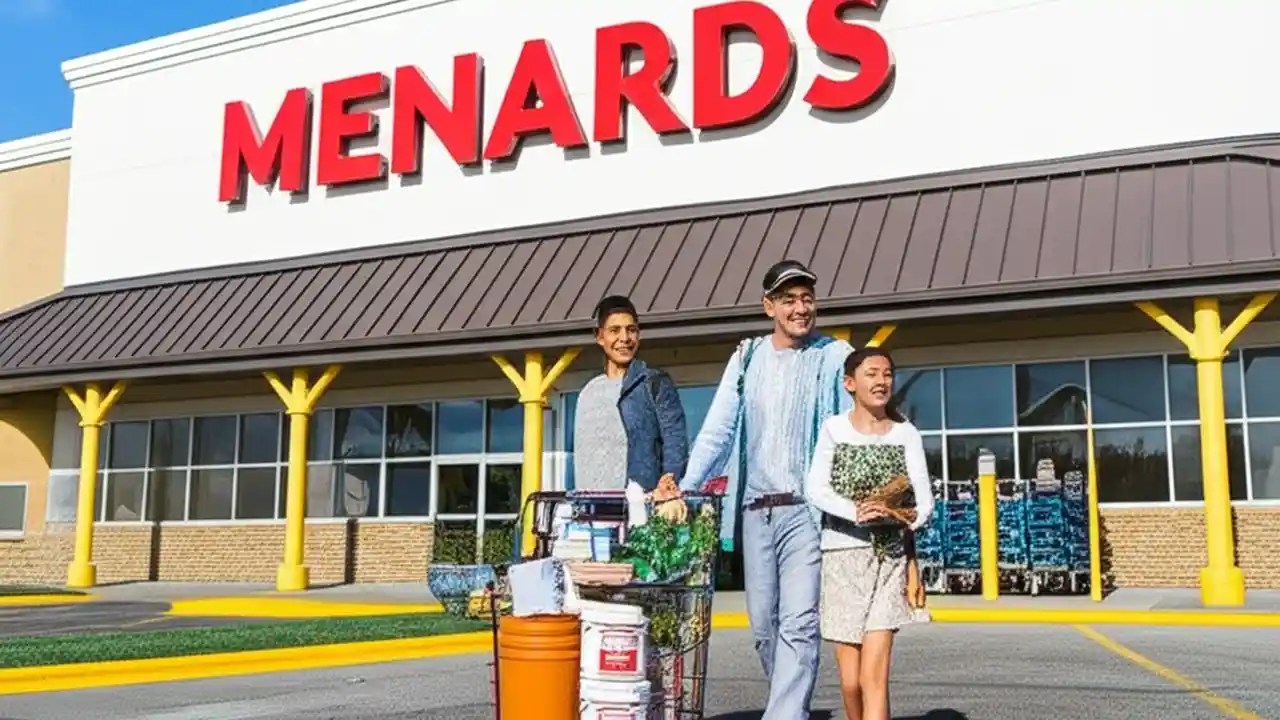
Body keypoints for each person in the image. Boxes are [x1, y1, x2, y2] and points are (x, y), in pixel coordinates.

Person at [679, 260, 853, 720]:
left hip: (805, 512)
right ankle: (789, 704)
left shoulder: (833, 356)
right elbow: (717, 431)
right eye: (789, 299)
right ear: (769, 306)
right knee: (764, 627)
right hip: (755, 512)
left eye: (807, 298)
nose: (801, 308)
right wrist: (686, 487)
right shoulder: (747, 358)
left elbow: (857, 417)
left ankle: (785, 715)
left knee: (799, 623)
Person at [804, 347, 935, 720]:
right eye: (872, 373)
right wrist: (857, 512)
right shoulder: (834, 429)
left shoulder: (906, 434)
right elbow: (817, 488)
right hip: (841, 557)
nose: (881, 381)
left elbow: (925, 502)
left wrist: (898, 515)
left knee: (873, 676)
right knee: (851, 683)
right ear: (850, 383)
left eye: (888, 374)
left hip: (889, 560)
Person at [572, 295, 688, 492]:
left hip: (638, 508)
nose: (624, 338)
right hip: (591, 511)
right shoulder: (588, 392)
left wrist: (667, 489)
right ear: (600, 336)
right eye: (614, 330)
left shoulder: (654, 383)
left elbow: (675, 445)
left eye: (631, 330)